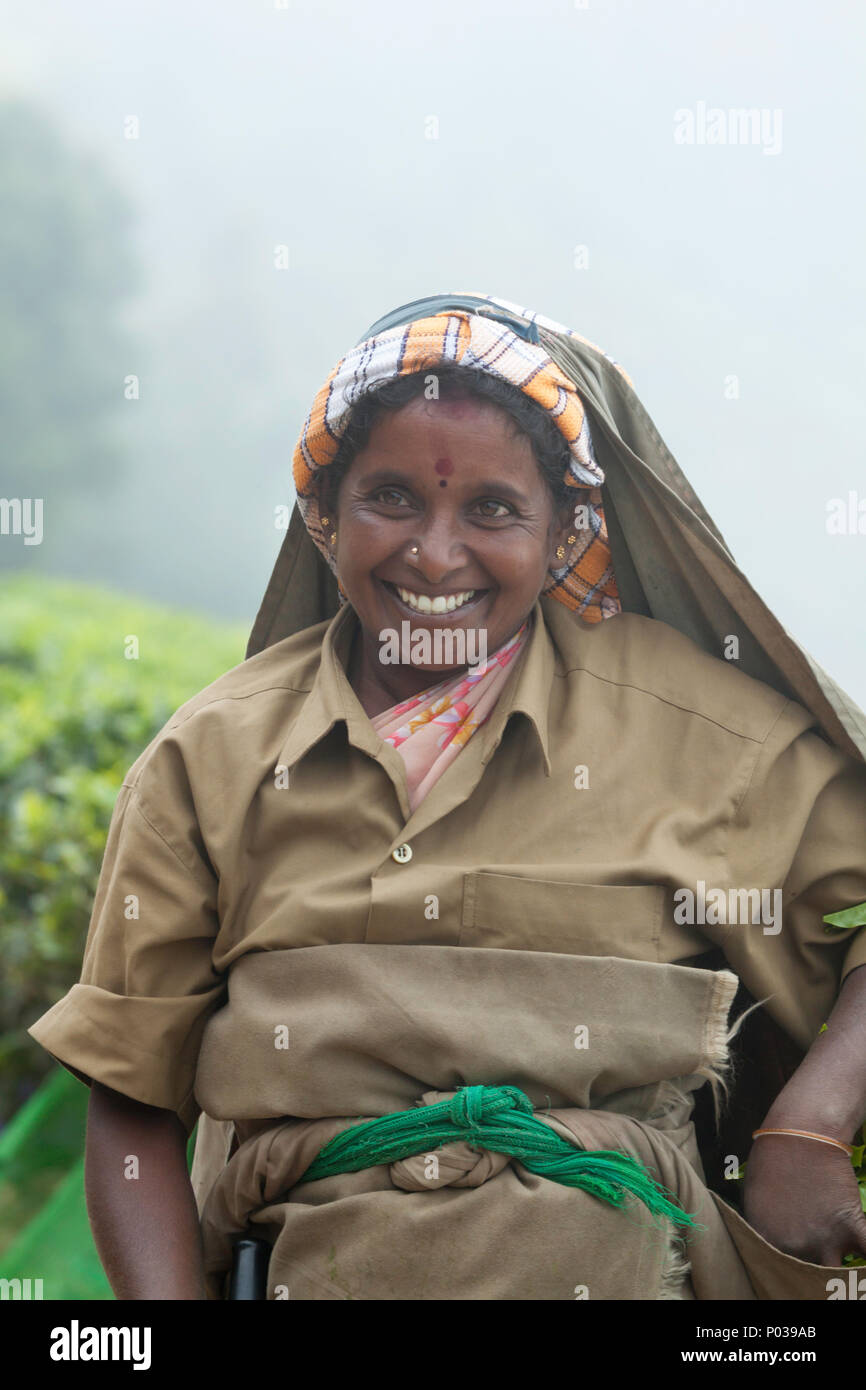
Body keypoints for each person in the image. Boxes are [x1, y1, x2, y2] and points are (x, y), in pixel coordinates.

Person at [28, 293, 866, 1300]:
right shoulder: (210, 760)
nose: (433, 553)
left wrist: (809, 1121)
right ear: (322, 514)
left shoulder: (705, 738)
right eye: (390, 498)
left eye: (492, 509)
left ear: (564, 533)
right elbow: (131, 1098)